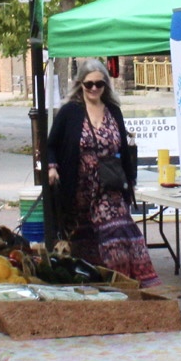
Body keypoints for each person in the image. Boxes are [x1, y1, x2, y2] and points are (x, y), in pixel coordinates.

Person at [45, 59, 159, 287]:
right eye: (89, 84)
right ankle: (96, 286)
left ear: (106, 85)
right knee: (86, 240)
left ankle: (128, 283)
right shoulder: (70, 112)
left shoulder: (113, 111)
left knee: (118, 232)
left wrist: (131, 179)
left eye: (99, 84)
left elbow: (124, 149)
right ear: (81, 85)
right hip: (80, 188)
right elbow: (51, 145)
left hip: (111, 186)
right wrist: (52, 167)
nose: (94, 89)